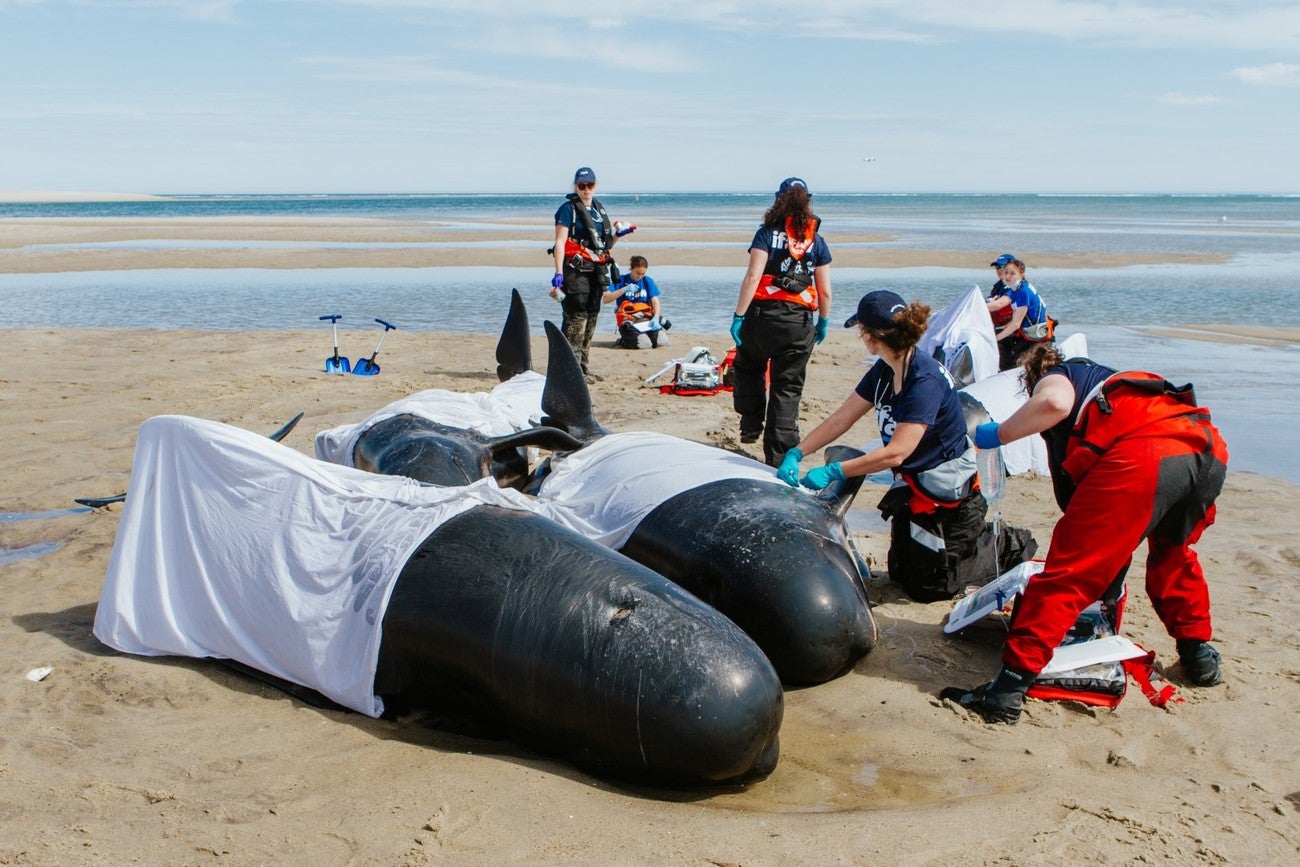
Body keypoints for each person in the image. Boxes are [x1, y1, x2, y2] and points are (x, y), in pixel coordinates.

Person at [941, 343, 1229, 724]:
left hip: (1145, 453)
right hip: (1205, 448)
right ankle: (1198, 656)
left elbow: (1054, 404)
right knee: (1174, 553)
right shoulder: (1109, 384)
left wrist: (999, 434)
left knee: (1065, 576)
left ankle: (1006, 692)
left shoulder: (1059, 376)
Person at [777, 291, 1036, 602]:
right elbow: (841, 419)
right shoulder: (884, 370)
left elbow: (898, 452)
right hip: (915, 489)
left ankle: (1006, 544)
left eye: (861, 330)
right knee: (902, 574)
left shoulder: (923, 380)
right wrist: (798, 451)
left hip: (952, 497)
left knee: (933, 589)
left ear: (872, 337)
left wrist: (834, 470)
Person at [731, 177, 832, 466]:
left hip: (762, 318)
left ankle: (751, 422)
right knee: (787, 388)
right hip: (798, 324)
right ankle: (777, 458)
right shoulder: (817, 241)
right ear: (807, 202)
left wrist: (738, 317)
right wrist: (823, 322)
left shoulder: (765, 234)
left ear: (778, 200)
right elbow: (824, 290)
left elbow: (753, 276)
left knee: (749, 366)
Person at [552, 167, 633, 383]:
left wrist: (618, 236)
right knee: (576, 318)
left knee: (592, 316)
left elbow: (603, 246)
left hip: (597, 271)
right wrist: (558, 272)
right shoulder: (567, 209)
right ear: (575, 187)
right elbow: (560, 242)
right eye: (582, 186)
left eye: (590, 185)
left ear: (595, 186)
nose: (586, 190)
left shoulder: (598, 210)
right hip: (576, 271)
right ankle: (570, 371)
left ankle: (582, 367)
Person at [985, 254, 1055, 371]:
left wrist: (995, 339)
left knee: (1014, 362)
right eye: (1006, 272)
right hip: (1027, 335)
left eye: (1012, 273)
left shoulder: (1023, 292)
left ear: (1021, 275)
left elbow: (1015, 323)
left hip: (1036, 339)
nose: (1007, 276)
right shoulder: (1014, 288)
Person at [603, 255, 668, 349]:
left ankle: (648, 335)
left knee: (662, 342)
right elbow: (605, 299)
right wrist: (624, 290)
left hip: (646, 319)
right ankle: (624, 341)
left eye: (643, 273)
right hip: (628, 321)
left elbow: (655, 302)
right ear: (631, 268)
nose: (640, 276)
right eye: (637, 273)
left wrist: (656, 317)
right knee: (644, 344)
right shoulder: (621, 280)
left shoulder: (647, 281)